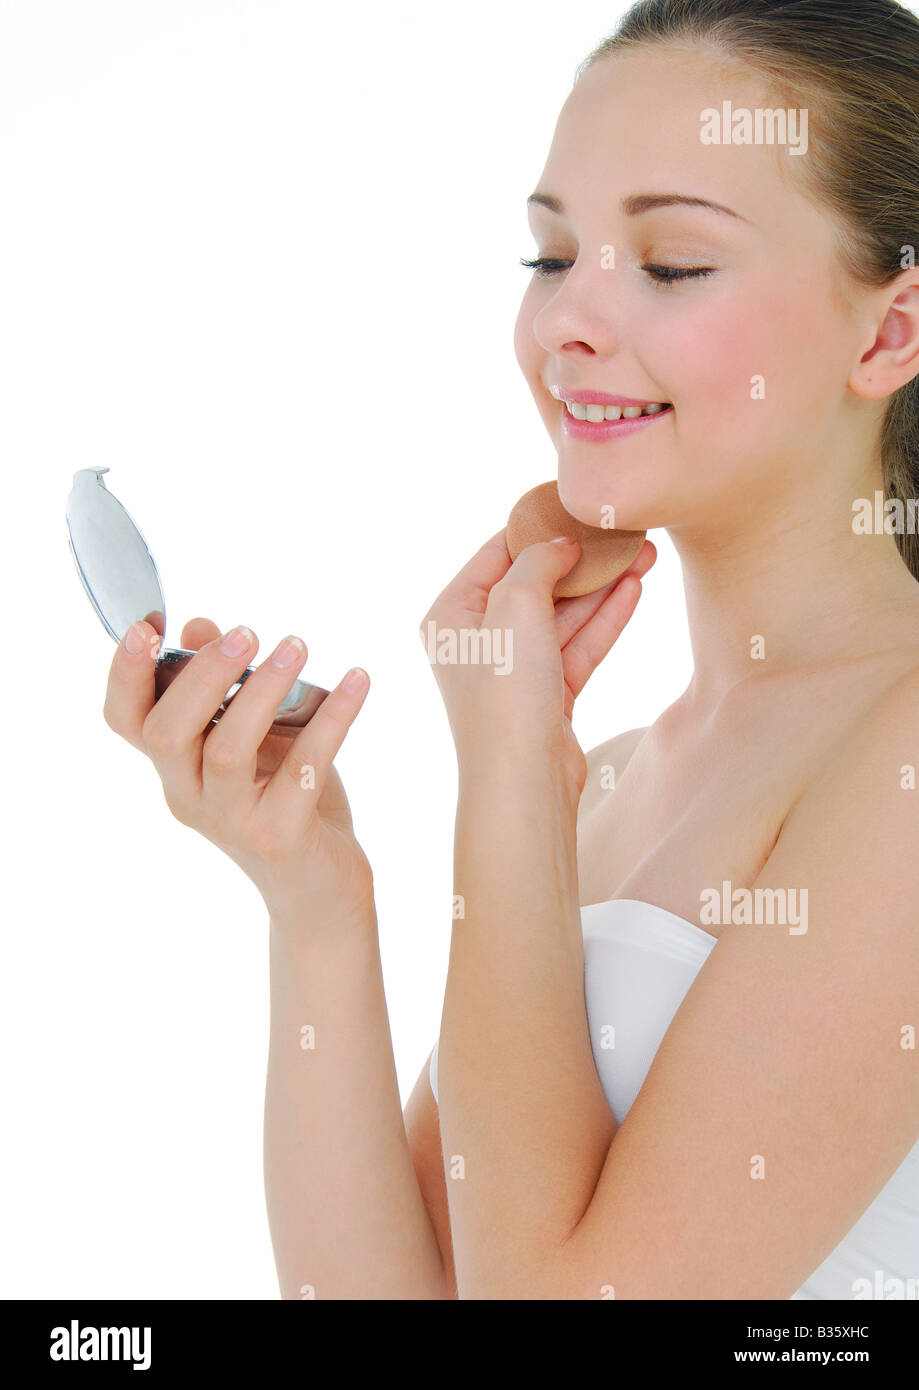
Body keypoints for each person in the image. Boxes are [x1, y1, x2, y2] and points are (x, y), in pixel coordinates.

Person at [102, 0, 919, 1299]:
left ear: (889, 332)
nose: (565, 326)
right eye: (551, 258)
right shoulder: (600, 778)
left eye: (672, 262)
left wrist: (501, 768)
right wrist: (319, 901)